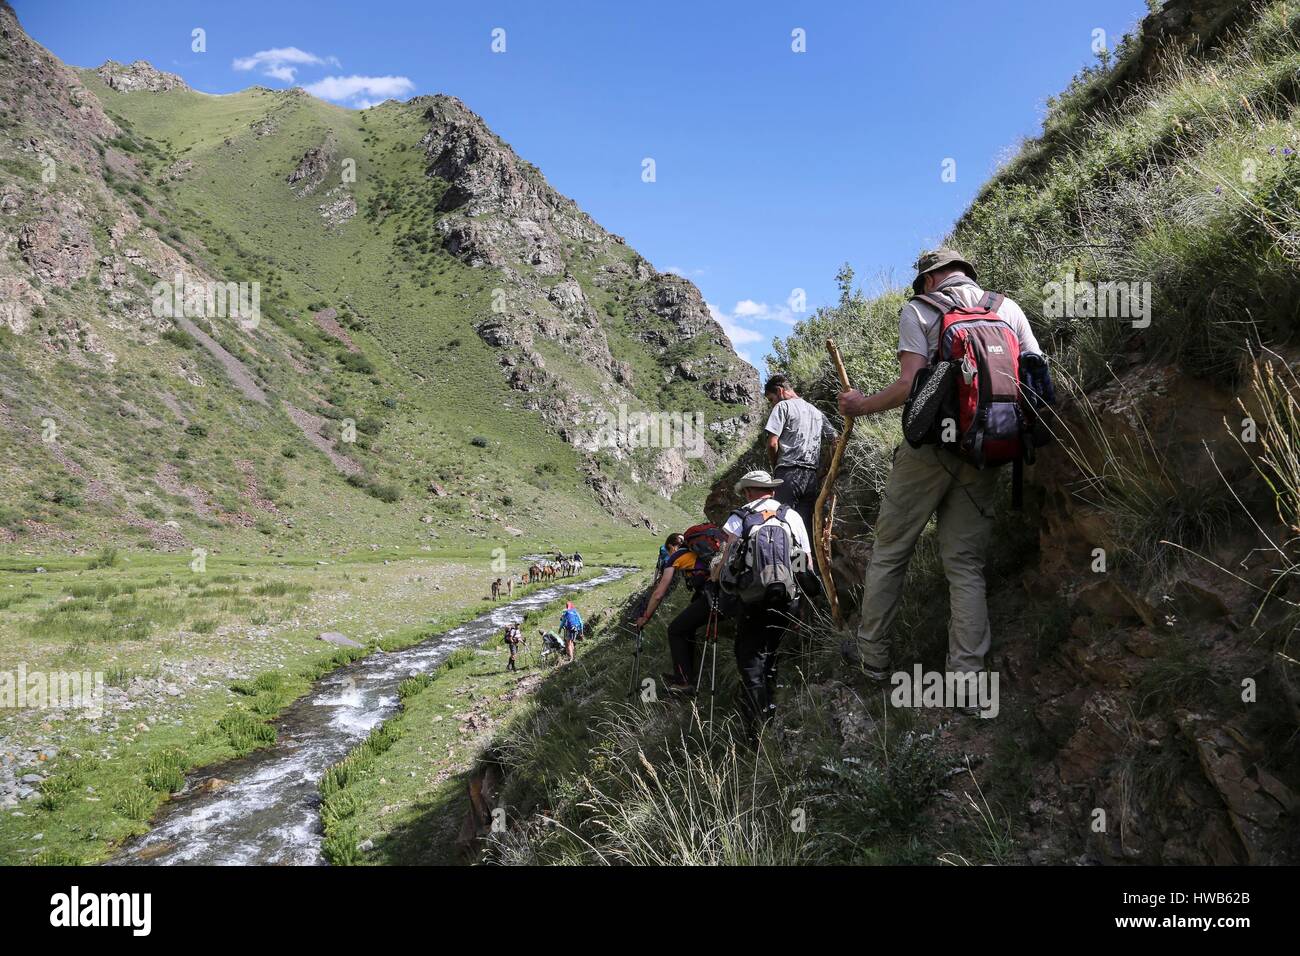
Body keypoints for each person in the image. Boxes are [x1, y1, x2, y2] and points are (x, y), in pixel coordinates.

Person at [837, 248, 1043, 690]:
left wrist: (860, 405)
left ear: (930, 279)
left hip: (929, 451)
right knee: (965, 565)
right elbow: (1035, 375)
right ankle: (967, 681)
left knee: (890, 553)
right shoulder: (1006, 308)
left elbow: (911, 384)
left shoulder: (920, 309)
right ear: (966, 273)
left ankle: (873, 659)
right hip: (988, 447)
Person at [719, 470, 811, 734]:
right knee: (775, 651)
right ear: (771, 490)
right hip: (786, 599)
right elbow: (805, 561)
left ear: (748, 491)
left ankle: (755, 726)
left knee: (750, 660)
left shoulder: (739, 519)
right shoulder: (790, 516)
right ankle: (775, 706)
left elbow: (726, 564)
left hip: (752, 601)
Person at [634, 528, 720, 694]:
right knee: (686, 628)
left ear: (671, 547)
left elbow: (659, 593)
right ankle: (685, 674)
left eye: (668, 551)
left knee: (675, 630)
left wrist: (645, 617)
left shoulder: (675, 556)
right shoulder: (694, 552)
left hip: (714, 595)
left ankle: (683, 682)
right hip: (718, 591)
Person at [762, 374, 838, 532]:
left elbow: (772, 443)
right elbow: (836, 441)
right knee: (802, 529)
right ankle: (805, 557)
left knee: (781, 525)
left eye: (771, 399)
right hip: (810, 478)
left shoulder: (782, 407)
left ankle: (782, 557)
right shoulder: (816, 412)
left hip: (787, 473)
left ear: (780, 391)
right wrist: (824, 467)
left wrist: (775, 465)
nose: (772, 404)